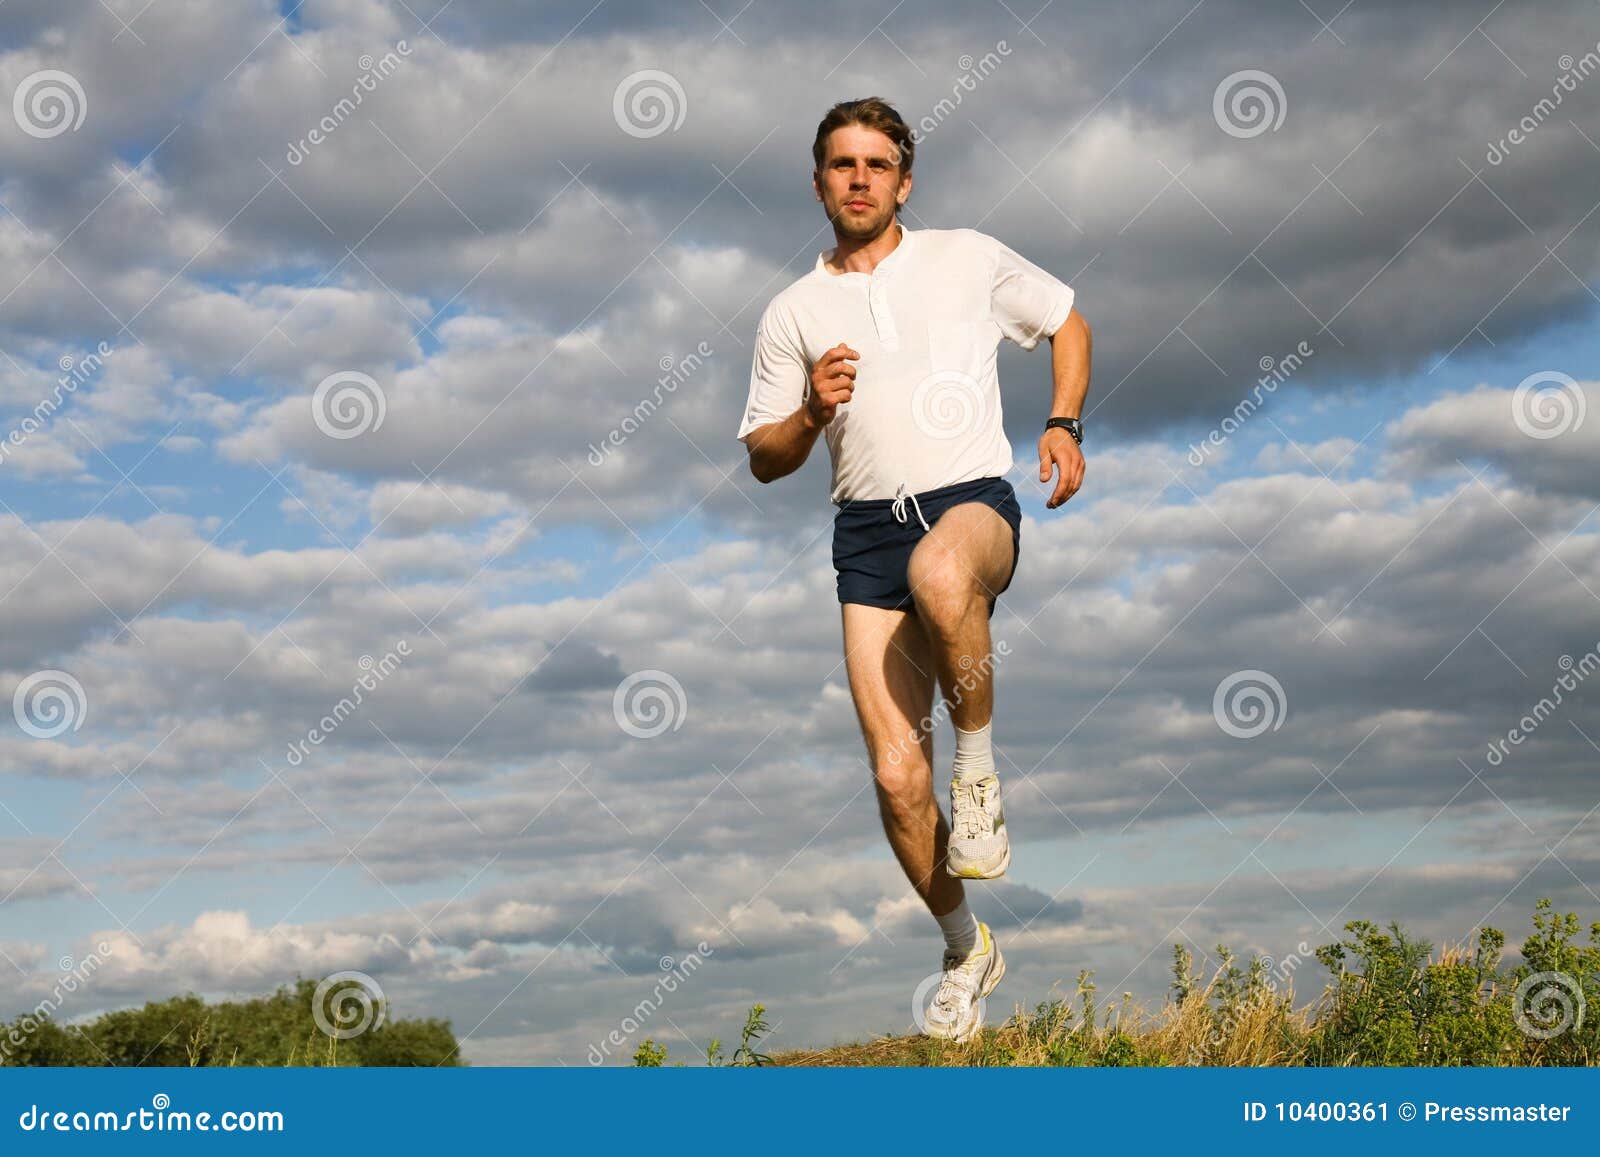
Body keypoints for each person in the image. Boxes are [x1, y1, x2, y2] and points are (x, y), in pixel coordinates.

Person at [735, 97, 1092, 1042]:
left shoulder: (967, 255)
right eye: (842, 164)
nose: (860, 178)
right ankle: (966, 950)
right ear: (819, 182)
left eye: (877, 164)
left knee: (942, 571)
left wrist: (1062, 422)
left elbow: (1067, 321)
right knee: (896, 780)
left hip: (969, 505)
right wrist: (811, 413)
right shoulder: (792, 311)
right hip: (862, 534)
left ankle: (978, 776)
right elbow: (764, 457)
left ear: (905, 180)